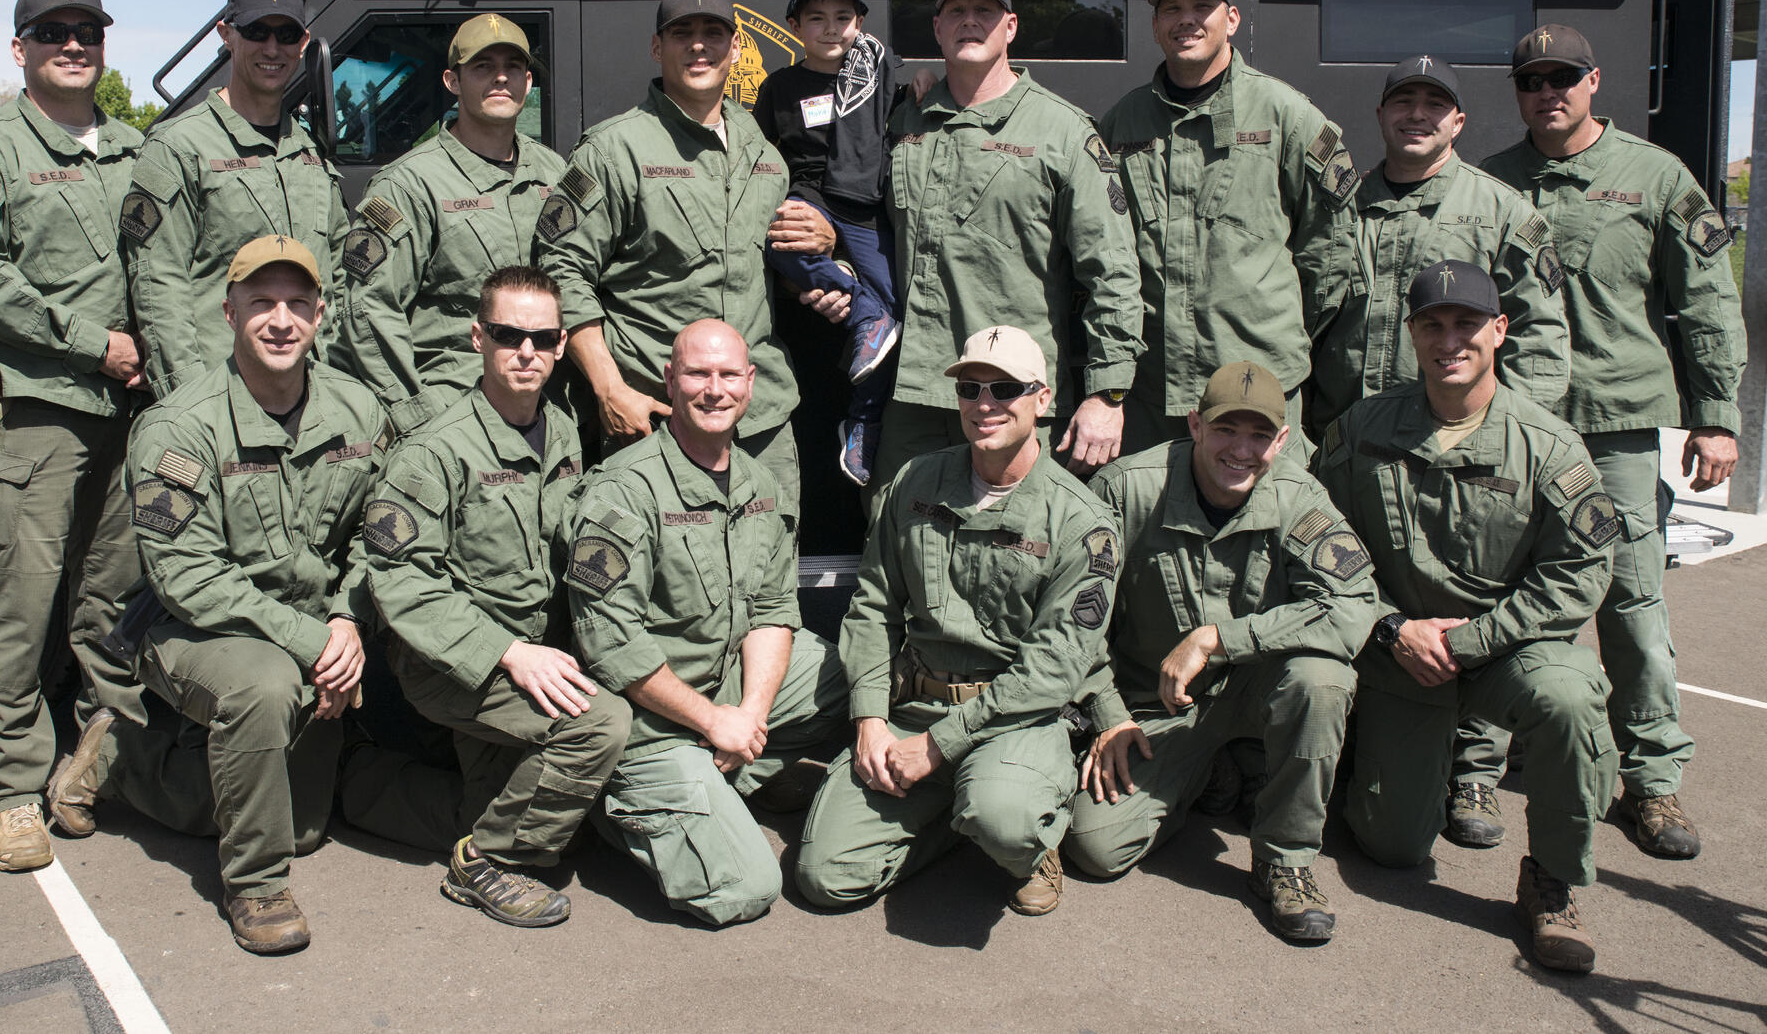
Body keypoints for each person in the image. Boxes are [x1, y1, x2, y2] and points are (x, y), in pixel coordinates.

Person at [47, 236, 385, 955]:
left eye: (297, 303)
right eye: (261, 302)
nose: (280, 319)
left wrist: (345, 619)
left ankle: (129, 759)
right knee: (263, 689)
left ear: (321, 314)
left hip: (308, 624)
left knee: (302, 824)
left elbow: (378, 541)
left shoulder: (357, 412)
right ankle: (256, 886)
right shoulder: (180, 425)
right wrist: (313, 642)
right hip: (186, 628)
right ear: (228, 311)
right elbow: (186, 576)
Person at [1471, 24, 1744, 861]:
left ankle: (1653, 781)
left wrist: (1718, 412)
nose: (1547, 91)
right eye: (1532, 80)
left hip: (1617, 424)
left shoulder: (1655, 177)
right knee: (1492, 587)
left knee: (1630, 605)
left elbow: (1705, 300)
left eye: (1563, 77)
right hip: (1514, 425)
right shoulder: (1491, 183)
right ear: (1517, 92)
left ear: (1594, 81)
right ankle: (1476, 760)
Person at [1316, 258, 1618, 972]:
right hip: (1399, 652)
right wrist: (1389, 627)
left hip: (1501, 652)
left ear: (1500, 330)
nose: (1449, 339)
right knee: (1391, 847)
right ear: (1412, 335)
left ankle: (1553, 879)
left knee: (1572, 694)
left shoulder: (1548, 446)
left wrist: (1477, 637)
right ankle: (1390, 762)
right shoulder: (1364, 427)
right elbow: (1318, 536)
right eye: (1432, 324)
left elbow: (1580, 571)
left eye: (1466, 323)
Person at [1311, 53, 1570, 850]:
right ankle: (1363, 751)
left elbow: (1544, 338)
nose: (1417, 114)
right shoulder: (1339, 207)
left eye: (1436, 103)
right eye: (1403, 101)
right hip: (1360, 449)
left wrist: (1502, 442)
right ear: (1382, 115)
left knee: (1468, 591)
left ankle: (1475, 769)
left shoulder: (1501, 209)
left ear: (1459, 120)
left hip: (1463, 453)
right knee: (1365, 596)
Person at [0, 0, 148, 872]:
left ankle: (89, 768)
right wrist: (96, 344)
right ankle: (10, 792)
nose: (72, 43)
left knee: (115, 604)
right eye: (52, 30)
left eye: (87, 29)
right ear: (20, 48)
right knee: (20, 602)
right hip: (32, 408)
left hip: (129, 412)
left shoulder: (136, 150)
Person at [796, 325, 1118, 918]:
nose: (985, 404)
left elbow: (1050, 672)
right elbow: (872, 604)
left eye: (1006, 388)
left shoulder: (1081, 522)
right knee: (825, 878)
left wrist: (939, 748)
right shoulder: (915, 482)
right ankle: (953, 819)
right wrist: (869, 718)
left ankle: (1020, 837)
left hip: (1012, 721)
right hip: (912, 708)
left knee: (1003, 817)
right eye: (970, 389)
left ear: (1042, 400)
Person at [347, 266, 628, 927]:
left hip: (535, 649)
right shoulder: (434, 450)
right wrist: (508, 652)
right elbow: (403, 581)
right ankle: (485, 861)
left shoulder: (559, 426)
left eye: (541, 337)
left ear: (562, 345)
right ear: (479, 337)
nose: (525, 351)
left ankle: (358, 785)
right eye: (508, 335)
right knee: (600, 724)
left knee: (525, 799)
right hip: (455, 660)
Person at [1068, 361, 1373, 943]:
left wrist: (1218, 637)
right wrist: (1107, 716)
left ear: (1281, 441)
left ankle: (1285, 861)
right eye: (1226, 429)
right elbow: (1072, 617)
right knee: (1095, 846)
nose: (1242, 449)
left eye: (1259, 435)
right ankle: (1207, 768)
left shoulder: (1299, 495)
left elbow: (1354, 604)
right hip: (1158, 703)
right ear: (1194, 426)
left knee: (1321, 678)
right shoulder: (1126, 488)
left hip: (1259, 693)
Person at [564, 319, 848, 926]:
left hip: (720, 694)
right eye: (697, 373)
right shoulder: (626, 489)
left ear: (750, 384)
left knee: (845, 673)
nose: (713, 389)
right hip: (645, 723)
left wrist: (748, 715)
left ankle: (723, 777)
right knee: (746, 888)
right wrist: (712, 720)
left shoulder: (760, 484)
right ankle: (618, 805)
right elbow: (611, 644)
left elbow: (773, 612)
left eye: (727, 375)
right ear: (670, 379)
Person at [536, 0, 837, 520]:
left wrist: (823, 251)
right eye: (683, 34)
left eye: (713, 33)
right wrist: (609, 389)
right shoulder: (614, 149)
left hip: (759, 420)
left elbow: (767, 267)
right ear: (657, 48)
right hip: (653, 415)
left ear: (737, 47)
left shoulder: (762, 153)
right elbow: (560, 268)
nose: (699, 46)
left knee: (766, 587)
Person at [875, 0, 1142, 487]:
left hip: (1014, 395)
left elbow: (1112, 271)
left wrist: (1107, 392)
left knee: (1014, 551)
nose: (969, 22)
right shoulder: (906, 118)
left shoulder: (1063, 130)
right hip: (918, 396)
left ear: (1011, 27)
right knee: (899, 542)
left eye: (984, 11)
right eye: (955, 12)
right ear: (937, 28)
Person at [1097, 0, 1357, 455]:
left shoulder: (1287, 115)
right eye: (1171, 9)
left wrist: (1278, 333)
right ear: (1155, 26)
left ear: (1232, 19)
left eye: (1203, 6)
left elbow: (1329, 252)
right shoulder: (1122, 123)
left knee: (1267, 523)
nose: (1187, 19)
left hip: (1256, 388)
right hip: (1154, 389)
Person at [340, 14, 567, 438]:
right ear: (452, 81)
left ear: (528, 82)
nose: (500, 78)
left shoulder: (553, 173)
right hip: (455, 414)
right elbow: (368, 310)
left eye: (512, 67)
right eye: (482, 67)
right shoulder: (408, 185)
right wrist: (413, 414)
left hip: (548, 417)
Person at [123, 0, 350, 397]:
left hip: (314, 395)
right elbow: (160, 288)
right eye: (256, 31)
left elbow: (336, 278)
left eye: (285, 34)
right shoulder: (179, 147)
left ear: (304, 43)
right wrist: (189, 402)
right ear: (227, 35)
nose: (272, 48)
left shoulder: (309, 152)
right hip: (221, 394)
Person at [753, 0, 932, 484]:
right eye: (817, 19)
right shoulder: (779, 85)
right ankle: (864, 315)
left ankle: (865, 422)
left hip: (862, 206)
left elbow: (912, 116)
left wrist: (925, 79)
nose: (831, 29)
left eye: (842, 18)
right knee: (784, 241)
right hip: (806, 195)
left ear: (860, 23)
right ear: (794, 26)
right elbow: (763, 158)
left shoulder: (883, 80)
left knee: (899, 316)